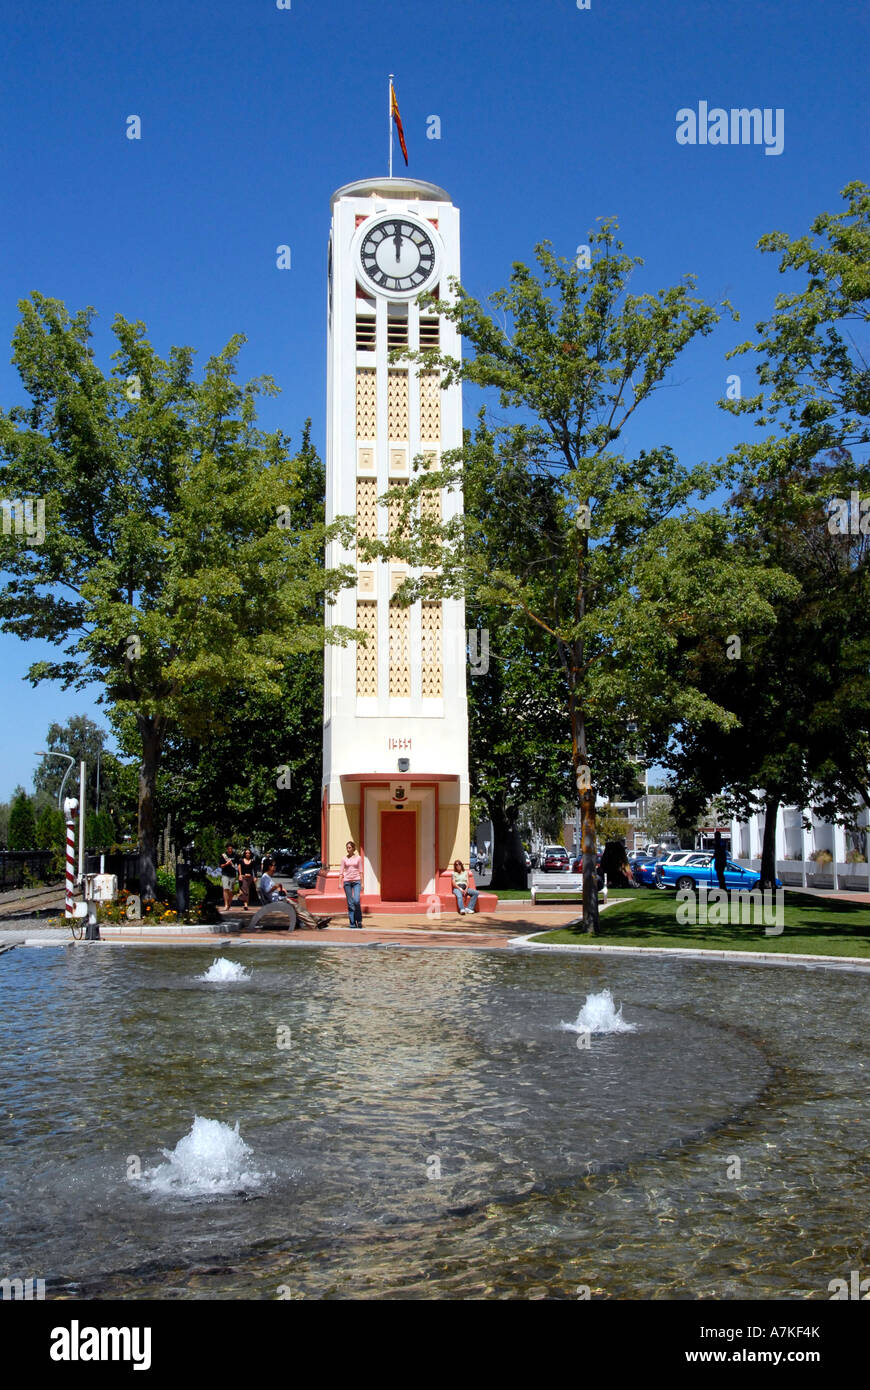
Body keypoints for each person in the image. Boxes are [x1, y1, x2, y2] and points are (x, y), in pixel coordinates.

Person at [258, 858, 330, 930]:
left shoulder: (267, 877)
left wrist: (279, 888)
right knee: (298, 908)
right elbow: (268, 890)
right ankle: (314, 924)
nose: (275, 867)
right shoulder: (265, 878)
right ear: (269, 867)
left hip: (278, 900)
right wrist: (277, 886)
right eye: (274, 865)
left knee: (298, 907)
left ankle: (316, 920)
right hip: (277, 901)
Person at [339, 840, 363, 929]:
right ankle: (352, 922)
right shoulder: (344, 859)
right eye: (347, 848)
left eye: (349, 848)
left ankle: (359, 920)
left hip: (356, 881)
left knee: (356, 901)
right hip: (347, 882)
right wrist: (340, 883)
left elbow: (361, 871)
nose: (348, 849)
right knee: (350, 903)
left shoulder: (358, 858)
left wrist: (362, 883)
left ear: (353, 848)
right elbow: (341, 871)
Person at [219, 843, 237, 911]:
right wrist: (226, 864)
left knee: (231, 890)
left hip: (233, 874)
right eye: (229, 848)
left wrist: (240, 874)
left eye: (231, 848)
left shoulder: (235, 855)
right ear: (227, 849)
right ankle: (226, 904)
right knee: (225, 888)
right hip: (225, 873)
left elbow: (238, 864)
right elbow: (221, 865)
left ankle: (229, 903)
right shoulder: (223, 856)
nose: (230, 850)